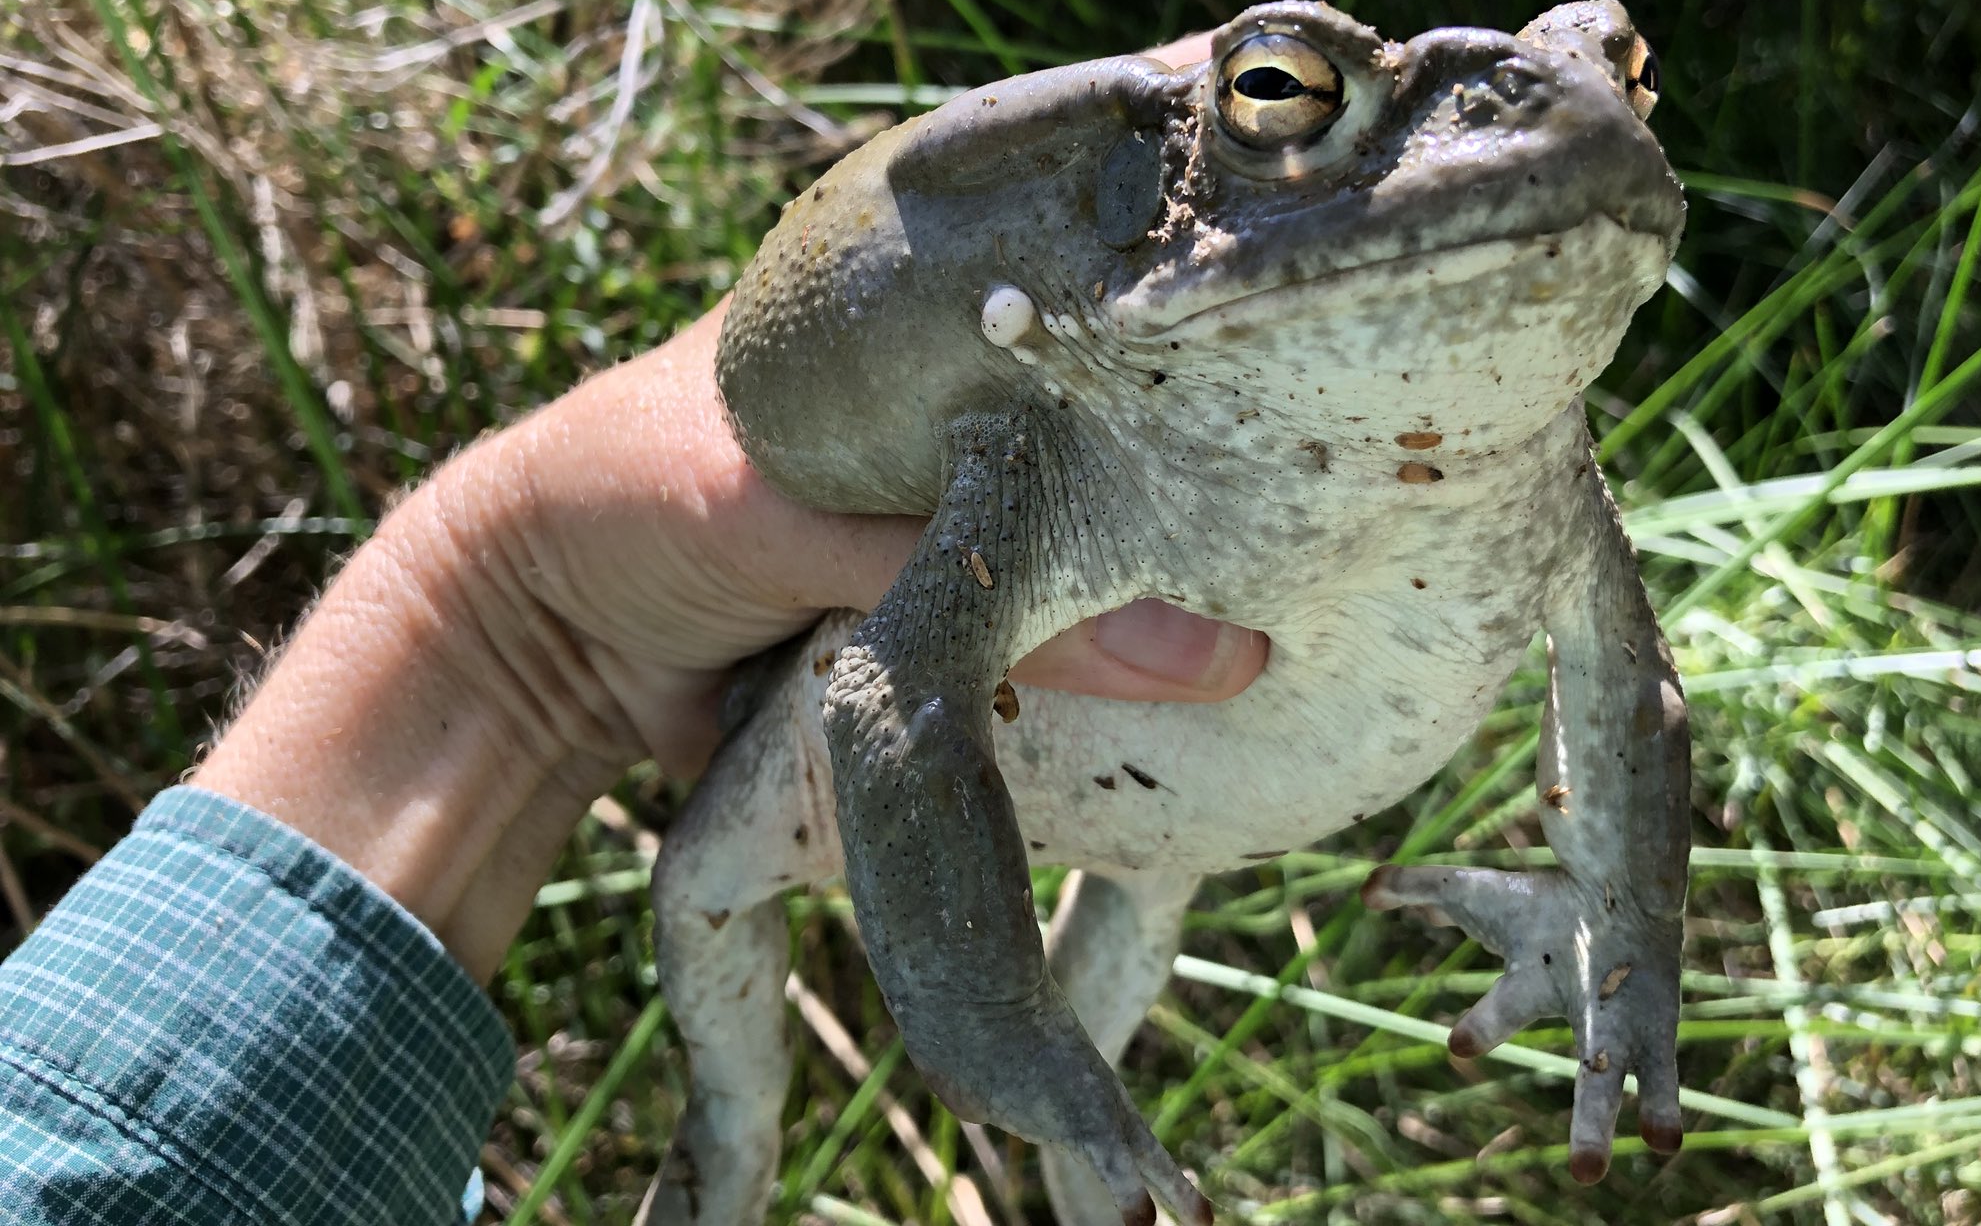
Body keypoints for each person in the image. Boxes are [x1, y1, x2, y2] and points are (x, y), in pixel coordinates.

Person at [0, 293, 1266, 1223]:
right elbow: (878, 695)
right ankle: (761, 1132)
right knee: (724, 928)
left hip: (1162, 767)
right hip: (844, 694)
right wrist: (503, 616)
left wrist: (505, 618)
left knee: (1135, 918)